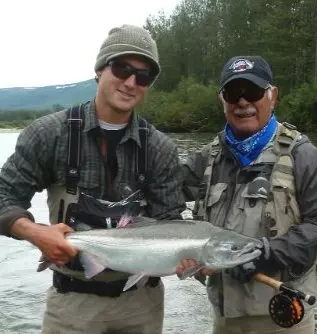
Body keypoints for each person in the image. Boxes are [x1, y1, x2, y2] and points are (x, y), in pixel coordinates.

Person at [0, 24, 185, 334]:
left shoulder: (160, 148)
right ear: (100, 69)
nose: (130, 82)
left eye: (143, 76)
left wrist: (187, 257)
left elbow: (170, 220)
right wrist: (33, 232)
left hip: (143, 304)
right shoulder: (49, 134)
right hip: (72, 302)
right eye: (122, 68)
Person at [179, 56, 317, 333]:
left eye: (252, 92)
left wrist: (266, 254)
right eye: (232, 93)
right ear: (222, 100)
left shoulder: (303, 156)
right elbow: (165, 193)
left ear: (272, 96)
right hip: (224, 318)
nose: (242, 102)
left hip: (283, 319)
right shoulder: (209, 158)